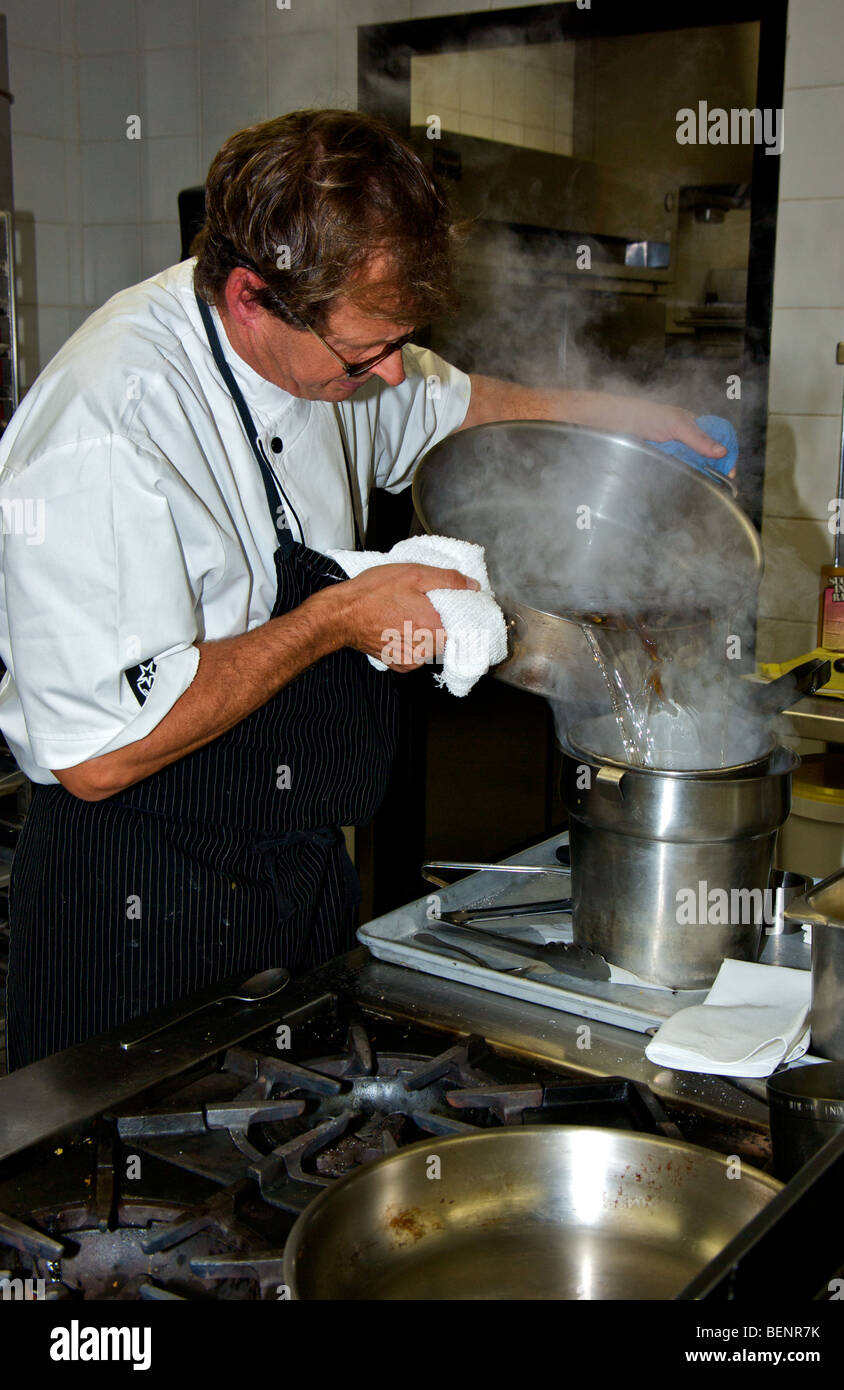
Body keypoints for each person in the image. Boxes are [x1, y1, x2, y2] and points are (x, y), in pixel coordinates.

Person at [0, 110, 725, 1069]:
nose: (387, 374)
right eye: (363, 354)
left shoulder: (337, 355)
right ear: (254, 295)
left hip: (294, 861)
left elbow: (459, 400)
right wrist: (336, 618)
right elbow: (100, 751)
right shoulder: (108, 426)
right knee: (149, 1200)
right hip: (140, 889)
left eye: (398, 342)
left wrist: (626, 417)